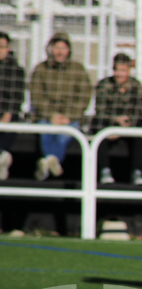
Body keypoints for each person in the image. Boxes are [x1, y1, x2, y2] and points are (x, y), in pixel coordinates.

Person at [29, 32, 92, 181]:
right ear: (50, 49)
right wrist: (51, 115)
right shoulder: (40, 69)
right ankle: (53, 161)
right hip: (46, 116)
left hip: (70, 118)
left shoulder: (78, 69)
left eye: (63, 48)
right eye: (56, 47)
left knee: (64, 134)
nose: (60, 52)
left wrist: (68, 116)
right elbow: (37, 95)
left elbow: (84, 96)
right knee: (45, 130)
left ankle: (48, 161)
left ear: (69, 50)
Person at [93, 53, 142, 185]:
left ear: (129, 71)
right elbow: (100, 110)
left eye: (123, 70)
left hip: (129, 125)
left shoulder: (136, 86)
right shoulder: (104, 84)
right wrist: (114, 122)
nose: (119, 74)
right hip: (108, 124)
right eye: (116, 70)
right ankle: (104, 171)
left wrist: (123, 128)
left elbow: (138, 110)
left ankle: (137, 172)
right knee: (97, 127)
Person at [0, 32, 25, 181]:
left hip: (7, 113)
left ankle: (2, 153)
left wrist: (8, 114)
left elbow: (17, 97)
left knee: (13, 121)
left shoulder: (16, 70)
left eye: (2, 47)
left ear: (8, 49)